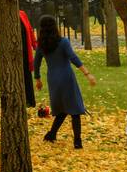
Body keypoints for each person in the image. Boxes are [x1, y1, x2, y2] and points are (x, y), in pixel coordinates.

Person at [35, 14, 96, 148]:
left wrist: (38, 79)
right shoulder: (63, 42)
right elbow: (73, 58)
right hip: (67, 78)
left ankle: (51, 134)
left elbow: (36, 63)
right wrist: (88, 74)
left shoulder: (41, 45)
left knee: (61, 109)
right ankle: (77, 142)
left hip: (53, 79)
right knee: (74, 109)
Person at [19, 8, 39, 107]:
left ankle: (30, 102)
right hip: (13, 54)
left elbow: (30, 30)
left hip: (25, 52)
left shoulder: (22, 14)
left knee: (27, 76)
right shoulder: (3, 16)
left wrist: (35, 45)